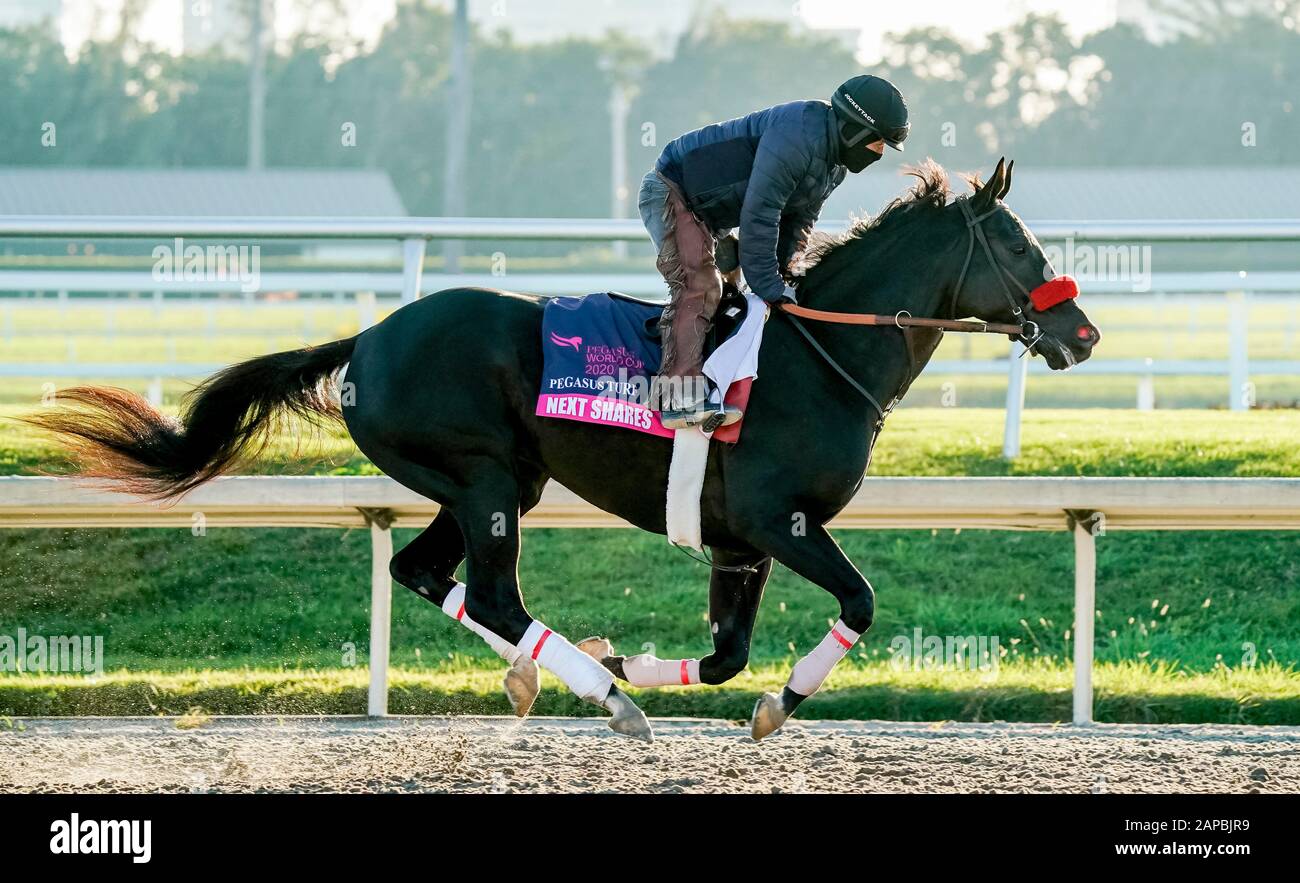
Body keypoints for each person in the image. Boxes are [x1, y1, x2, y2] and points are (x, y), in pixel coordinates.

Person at [638, 74, 910, 430]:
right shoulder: (797, 136)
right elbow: (761, 214)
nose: (879, 153)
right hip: (672, 192)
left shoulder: (834, 166)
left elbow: (798, 222)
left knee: (733, 300)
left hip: (711, 216)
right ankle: (675, 399)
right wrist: (769, 284)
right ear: (855, 130)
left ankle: (716, 386)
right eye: (878, 143)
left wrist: (787, 274)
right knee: (702, 287)